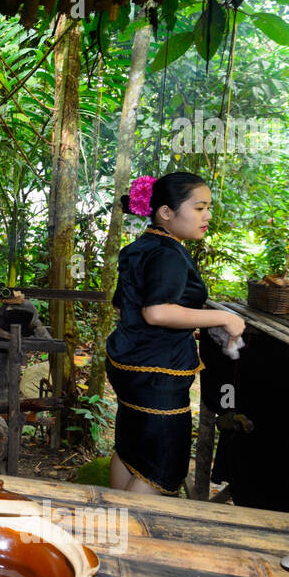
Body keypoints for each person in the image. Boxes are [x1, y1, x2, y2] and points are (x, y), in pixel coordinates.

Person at [105, 172, 245, 495]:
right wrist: (221, 318)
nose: (207, 215)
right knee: (161, 463)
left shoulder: (141, 247)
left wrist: (190, 323)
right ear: (166, 212)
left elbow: (124, 307)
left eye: (208, 208)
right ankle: (132, 537)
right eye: (199, 208)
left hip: (129, 367)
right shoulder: (169, 254)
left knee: (130, 450)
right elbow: (156, 312)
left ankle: (114, 530)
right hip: (158, 374)